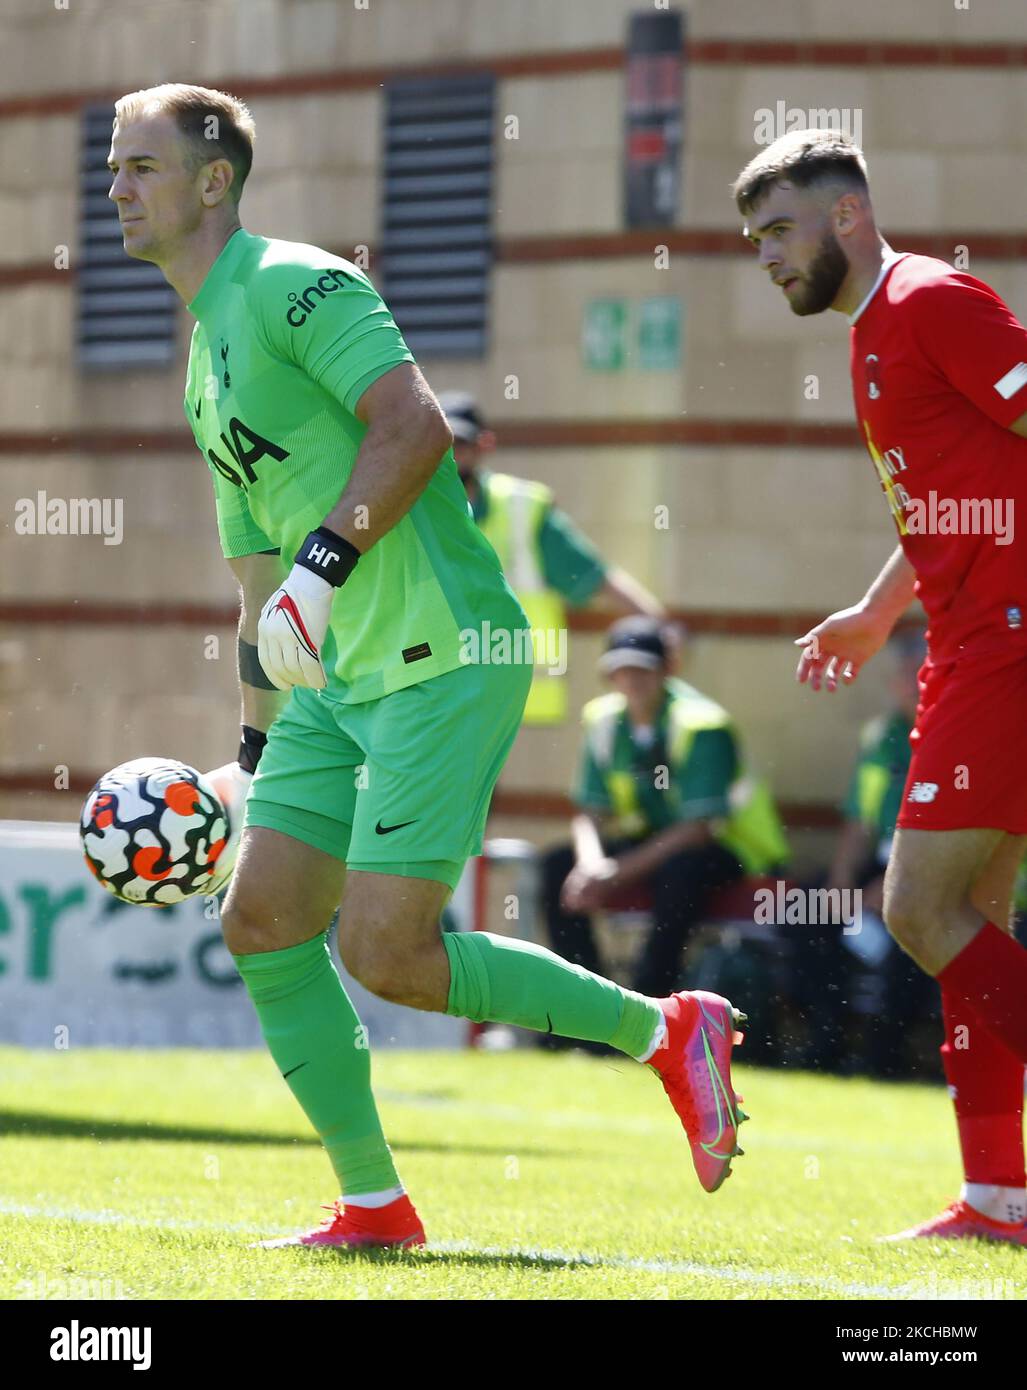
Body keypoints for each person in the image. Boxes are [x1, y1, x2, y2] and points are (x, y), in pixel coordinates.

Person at [107, 81, 748, 1248]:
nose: (114, 187)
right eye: (112, 165)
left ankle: (666, 1031)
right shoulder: (202, 360)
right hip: (335, 687)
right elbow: (255, 582)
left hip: (444, 656)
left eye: (140, 165)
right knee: (261, 918)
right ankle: (374, 1205)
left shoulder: (302, 283)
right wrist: (249, 749)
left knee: (385, 951)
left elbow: (415, 427)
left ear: (212, 182)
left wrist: (321, 566)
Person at [733, 127, 1027, 1244]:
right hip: (965, 641)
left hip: (1008, 639)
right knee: (974, 916)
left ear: (847, 215)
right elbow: (962, 487)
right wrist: (876, 609)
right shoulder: (868, 335)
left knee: (917, 907)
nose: (762, 257)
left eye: (777, 230)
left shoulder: (929, 300)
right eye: (752, 236)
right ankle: (999, 1197)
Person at [542, 617, 787, 1012]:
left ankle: (647, 1008)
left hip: (731, 849)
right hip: (653, 847)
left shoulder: (702, 725)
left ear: (666, 670)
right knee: (556, 866)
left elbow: (698, 829)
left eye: (643, 668)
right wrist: (590, 864)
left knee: (681, 874)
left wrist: (617, 871)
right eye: (622, 669)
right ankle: (586, 1009)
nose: (632, 678)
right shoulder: (603, 722)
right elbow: (590, 810)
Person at [438, 392, 667, 723]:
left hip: (506, 685)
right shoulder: (411, 506)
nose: (451, 456)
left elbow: (592, 577)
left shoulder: (521, 510)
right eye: (444, 444)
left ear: (484, 445)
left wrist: (659, 629)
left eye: (460, 444)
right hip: (439, 684)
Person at [824, 629, 936, 1078]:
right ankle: (823, 1044)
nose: (904, 685)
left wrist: (886, 884)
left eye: (914, 675)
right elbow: (859, 821)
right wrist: (840, 883)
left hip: (937, 874)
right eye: (901, 676)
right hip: (880, 868)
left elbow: (945, 836)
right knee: (805, 916)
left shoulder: (958, 736)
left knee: (907, 936)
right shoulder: (883, 736)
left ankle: (881, 1058)